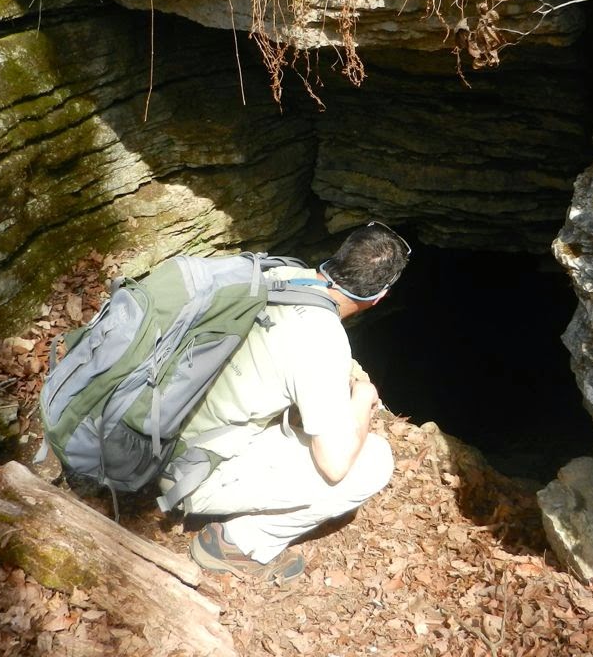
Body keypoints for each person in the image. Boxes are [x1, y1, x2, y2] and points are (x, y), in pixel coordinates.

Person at [160, 221, 411, 585]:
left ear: (337, 258)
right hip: (186, 470)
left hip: (150, 425)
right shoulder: (322, 340)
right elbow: (335, 466)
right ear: (378, 298)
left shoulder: (277, 272)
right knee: (373, 462)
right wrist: (363, 398)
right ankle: (235, 546)